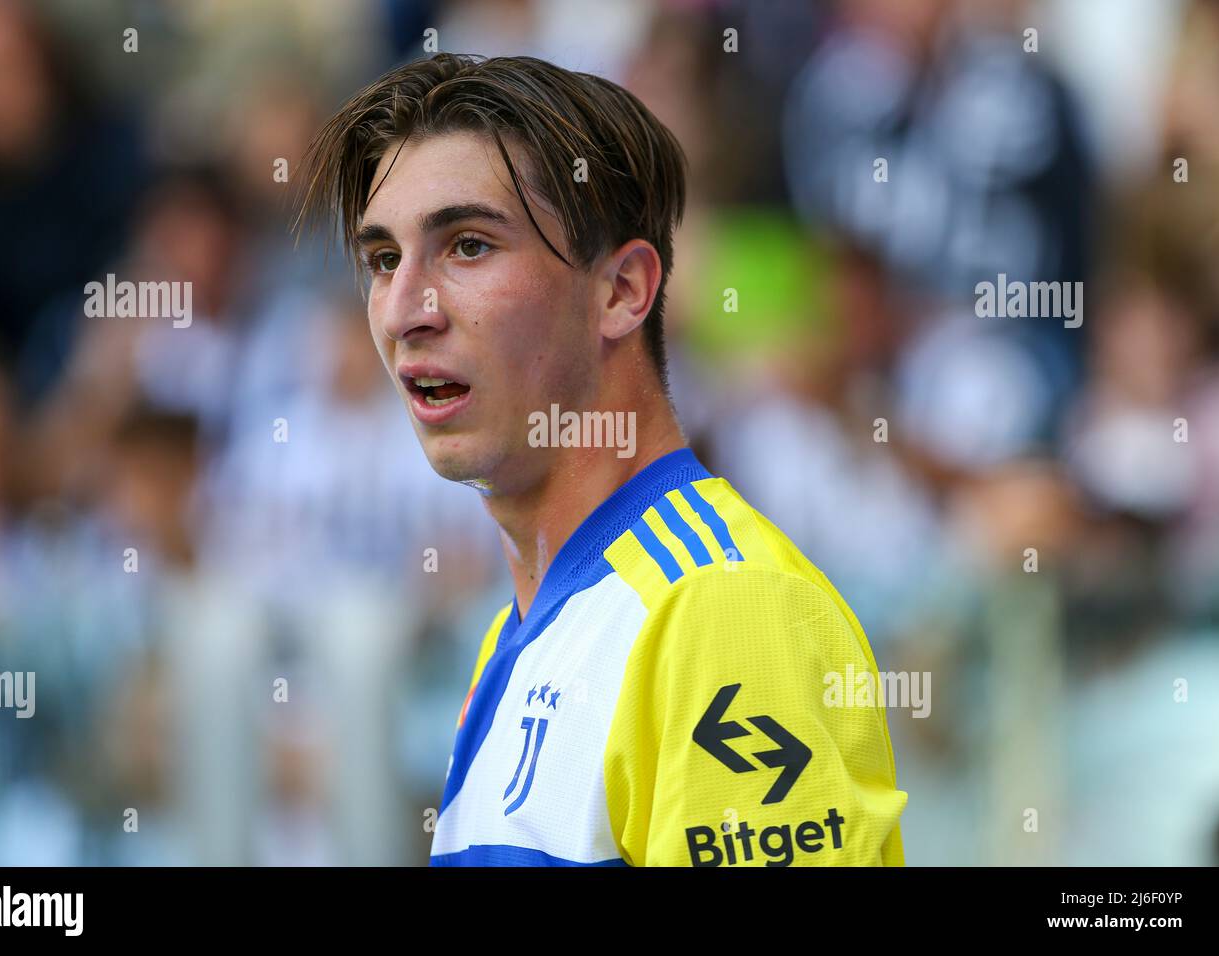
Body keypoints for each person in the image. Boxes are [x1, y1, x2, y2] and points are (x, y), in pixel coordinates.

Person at [298, 52, 906, 866]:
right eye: (383, 260)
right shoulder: (518, 632)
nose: (406, 309)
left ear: (622, 290)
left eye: (469, 246)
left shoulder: (721, 610)